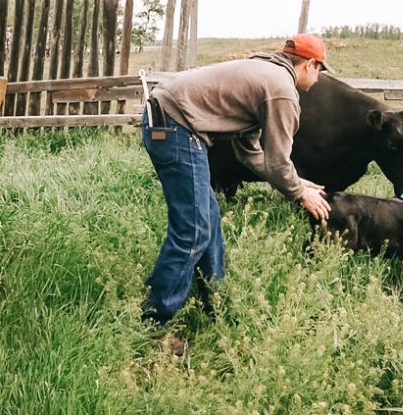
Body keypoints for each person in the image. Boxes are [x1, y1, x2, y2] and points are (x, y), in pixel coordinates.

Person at [140, 33, 332, 331]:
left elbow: (250, 153)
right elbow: (278, 162)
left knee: (208, 218)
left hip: (167, 120)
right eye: (320, 70)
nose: (318, 79)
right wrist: (299, 194)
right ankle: (154, 322)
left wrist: (298, 183)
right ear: (310, 64)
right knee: (193, 230)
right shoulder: (282, 91)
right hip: (176, 126)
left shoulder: (265, 73)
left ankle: (215, 301)